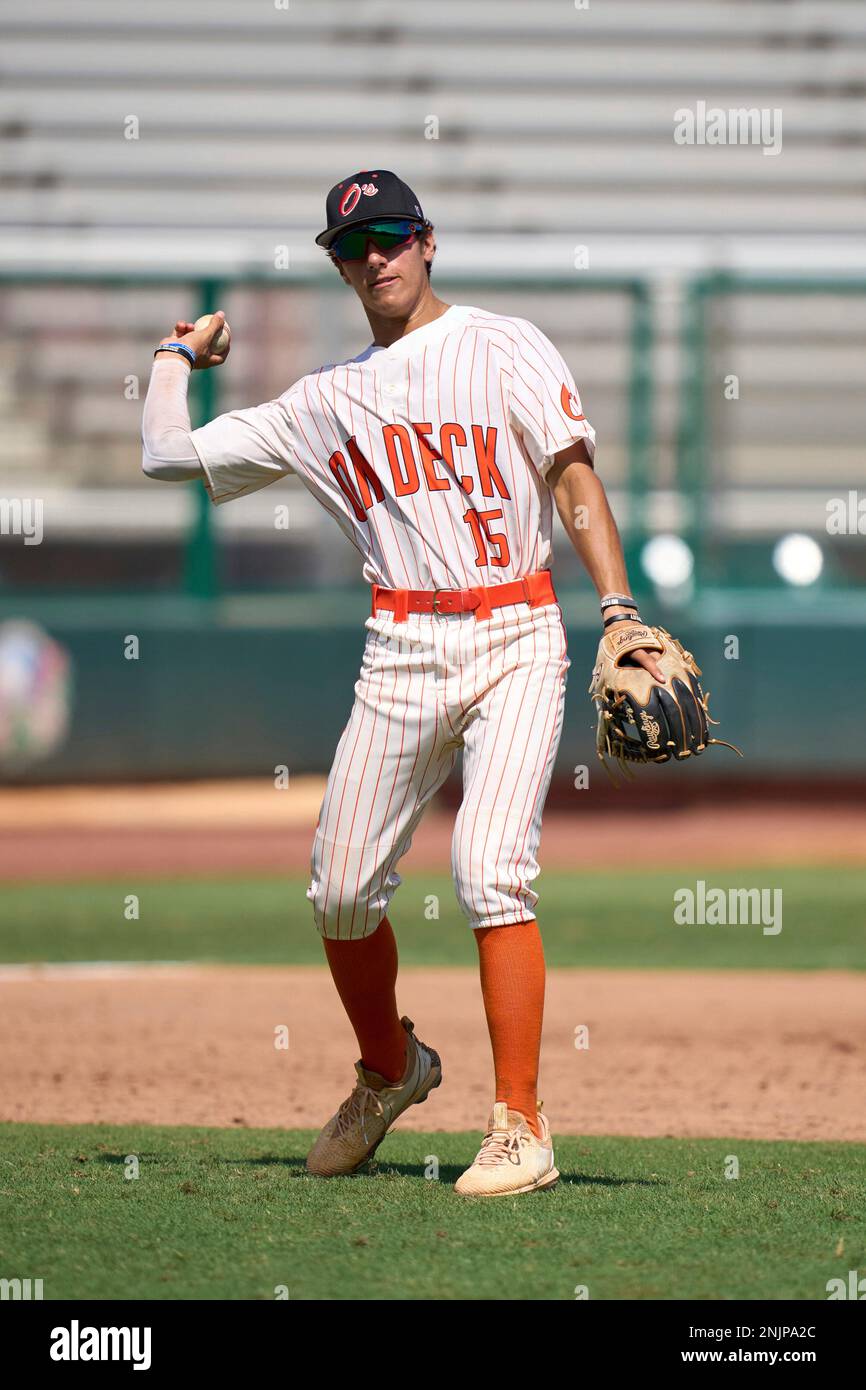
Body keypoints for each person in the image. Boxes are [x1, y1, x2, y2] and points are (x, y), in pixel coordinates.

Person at [141, 169, 663, 1198]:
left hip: (516, 629)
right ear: (339, 265)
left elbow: (571, 477)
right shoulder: (324, 401)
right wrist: (171, 357)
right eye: (351, 246)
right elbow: (164, 457)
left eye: (387, 235)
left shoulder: (503, 343)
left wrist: (618, 609)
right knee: (337, 892)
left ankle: (519, 1122)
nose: (371, 256)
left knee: (488, 869)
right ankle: (391, 1069)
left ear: (426, 242)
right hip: (399, 649)